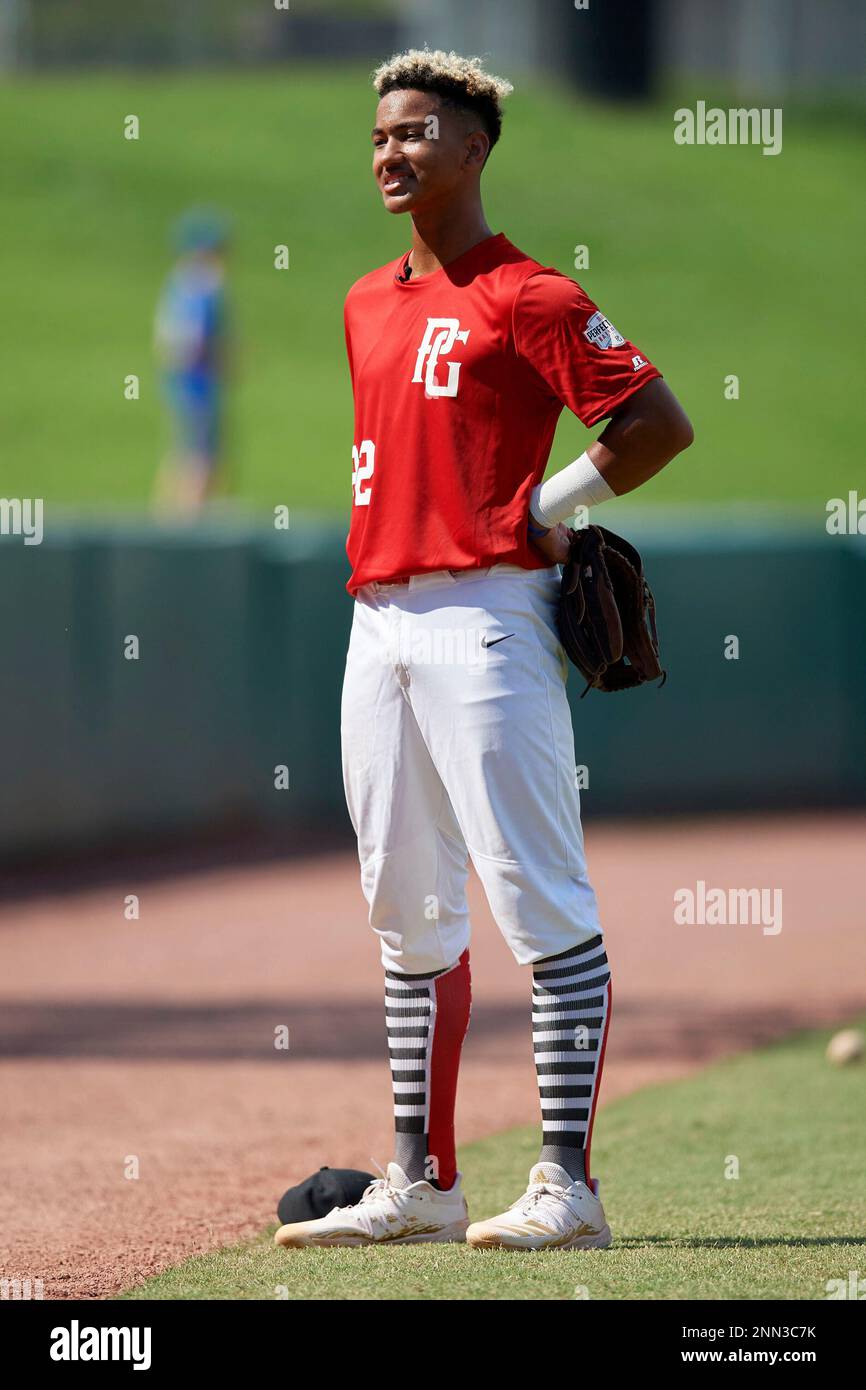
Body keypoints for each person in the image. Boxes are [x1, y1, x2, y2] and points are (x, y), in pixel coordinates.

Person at [275, 49, 693, 1251]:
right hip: (378, 622)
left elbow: (654, 421)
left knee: (536, 897)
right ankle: (424, 1180)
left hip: (490, 618)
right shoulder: (362, 300)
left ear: (473, 150)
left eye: (415, 133)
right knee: (407, 914)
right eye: (377, 136)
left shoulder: (532, 296)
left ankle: (568, 1185)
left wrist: (544, 507)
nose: (389, 153)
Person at [152, 209, 231, 513]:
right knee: (201, 456)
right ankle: (190, 520)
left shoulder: (179, 282)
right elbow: (190, 341)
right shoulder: (203, 284)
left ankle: (172, 516)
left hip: (184, 381)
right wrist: (221, 357)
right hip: (198, 383)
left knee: (184, 451)